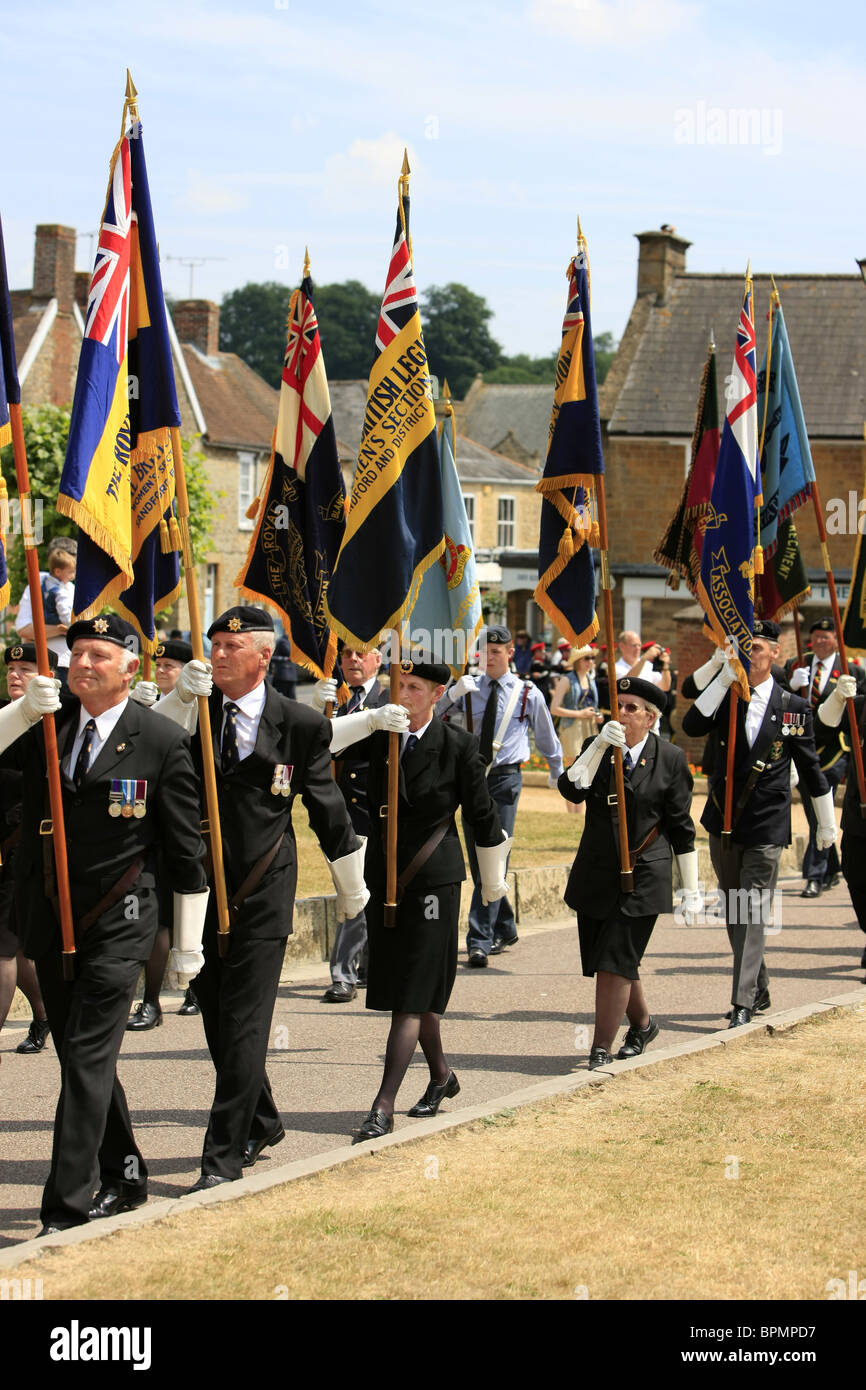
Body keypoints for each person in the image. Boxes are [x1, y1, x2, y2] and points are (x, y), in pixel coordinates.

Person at [0, 614, 209, 1234]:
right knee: (78, 1056)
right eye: (76, 654)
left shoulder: (160, 740)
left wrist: (188, 943)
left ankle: (64, 1207)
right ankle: (125, 1172)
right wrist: (17, 715)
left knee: (88, 1055)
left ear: (130, 669)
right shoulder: (45, 725)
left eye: (98, 655)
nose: (83, 664)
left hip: (122, 916)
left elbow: (184, 848)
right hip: (52, 915)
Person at [152, 605, 368, 1190]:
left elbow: (326, 807)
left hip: (264, 889)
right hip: (197, 890)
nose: (217, 654)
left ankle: (220, 1157)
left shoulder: (297, 723)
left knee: (245, 1023)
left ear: (263, 656)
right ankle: (264, 1117)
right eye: (213, 643)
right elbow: (143, 744)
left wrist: (353, 889)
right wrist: (176, 700)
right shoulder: (189, 715)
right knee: (219, 1020)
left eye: (231, 645)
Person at [349, 654, 509, 1140]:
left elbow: (481, 815)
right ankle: (442, 1076)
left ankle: (383, 1103)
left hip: (434, 879)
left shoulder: (458, 746)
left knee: (413, 995)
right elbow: (326, 755)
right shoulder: (379, 736)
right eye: (400, 685)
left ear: (438, 695)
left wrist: (492, 878)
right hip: (386, 876)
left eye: (415, 687)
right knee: (405, 986)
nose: (403, 694)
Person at [682, 620, 832, 1025]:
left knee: (752, 908)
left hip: (766, 821)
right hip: (724, 818)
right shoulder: (728, 697)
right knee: (734, 909)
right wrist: (720, 679)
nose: (751, 657)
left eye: (758, 650)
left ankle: (742, 1001)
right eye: (745, 650)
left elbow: (811, 769)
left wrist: (825, 822)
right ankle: (759, 983)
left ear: (776, 654)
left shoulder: (793, 707)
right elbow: (691, 725)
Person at [558, 676, 699, 1067]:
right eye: (617, 706)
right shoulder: (597, 747)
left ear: (651, 718)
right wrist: (599, 746)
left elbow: (681, 826)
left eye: (631, 708)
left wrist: (691, 887)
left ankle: (600, 1047)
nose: (621, 714)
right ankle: (643, 1025)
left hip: (644, 873)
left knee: (614, 960)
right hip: (597, 871)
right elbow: (571, 790)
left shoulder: (670, 758)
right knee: (615, 958)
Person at [439, 625, 563, 964]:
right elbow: (430, 720)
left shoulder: (527, 693)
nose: (490, 656)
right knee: (479, 862)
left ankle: (480, 938)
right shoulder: (467, 688)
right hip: (471, 781)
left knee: (494, 855)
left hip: (506, 780)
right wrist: (449, 696)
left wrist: (557, 773)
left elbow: (547, 737)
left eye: (497, 651)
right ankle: (505, 924)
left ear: (510, 653)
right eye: (485, 650)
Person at [311, 645, 394, 1003]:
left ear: (378, 659)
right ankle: (351, 970)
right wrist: (318, 711)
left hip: (380, 808)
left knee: (366, 890)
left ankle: (349, 971)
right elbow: (314, 746)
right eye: (346, 655)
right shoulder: (336, 699)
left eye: (362, 653)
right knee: (354, 890)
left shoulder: (390, 695)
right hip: (342, 811)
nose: (353, 660)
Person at [126, 638, 200, 1028]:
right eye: (160, 665)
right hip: (152, 825)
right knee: (157, 921)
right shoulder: (141, 708)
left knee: (194, 909)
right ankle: (151, 1001)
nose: (163, 672)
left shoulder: (204, 707)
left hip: (194, 825)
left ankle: (195, 988)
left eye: (172, 665)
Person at [0, 644, 57, 1054]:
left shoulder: (53, 721)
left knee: (2, 947)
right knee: (18, 951)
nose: (15, 675)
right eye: (11, 669)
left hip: (23, 850)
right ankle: (44, 1013)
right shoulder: (2, 715)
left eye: (26, 668)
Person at [786, 617, 866, 897]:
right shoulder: (797, 664)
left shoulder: (851, 668)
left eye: (827, 637)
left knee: (824, 812)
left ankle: (815, 875)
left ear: (836, 640)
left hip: (833, 750)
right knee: (815, 814)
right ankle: (832, 867)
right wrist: (792, 686)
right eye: (817, 636)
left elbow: (858, 713)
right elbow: (780, 701)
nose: (821, 641)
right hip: (803, 748)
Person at [815, 669, 866, 968]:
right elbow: (823, 729)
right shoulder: (860, 705)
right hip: (860, 812)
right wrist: (837, 698)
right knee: (856, 875)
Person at [15, 537, 77, 685]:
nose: (74, 572)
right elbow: (24, 630)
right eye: (71, 568)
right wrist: (61, 630)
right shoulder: (39, 584)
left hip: (72, 664)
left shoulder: (72, 587)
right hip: (46, 664)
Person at [268, 633, 298, 700]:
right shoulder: (283, 641)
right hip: (284, 675)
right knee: (286, 698)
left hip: (289, 675)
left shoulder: (286, 641)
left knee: (291, 697)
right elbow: (289, 653)